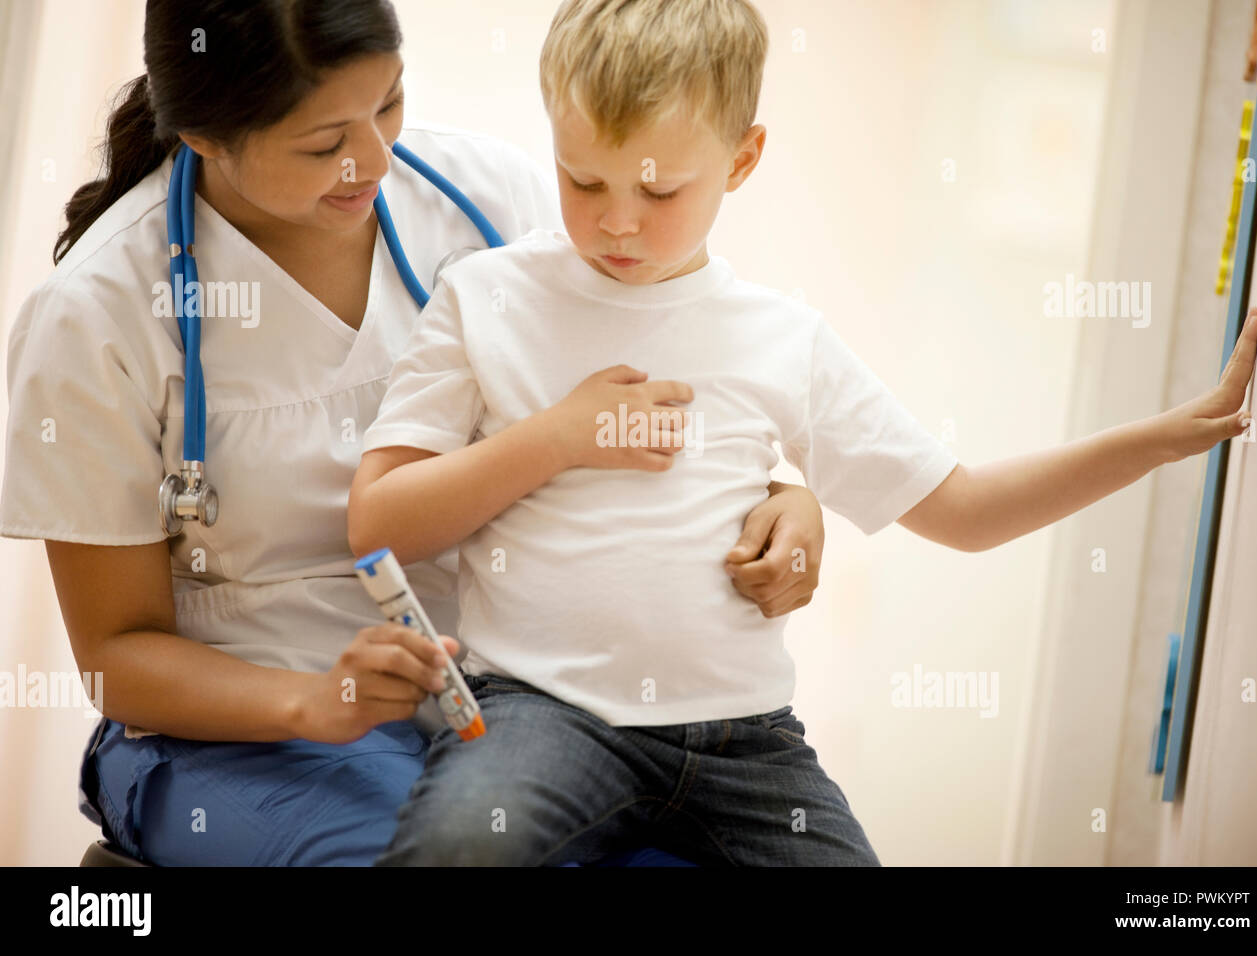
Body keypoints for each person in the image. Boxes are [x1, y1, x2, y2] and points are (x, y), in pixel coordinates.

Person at [349, 0, 1257, 866]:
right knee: (454, 850)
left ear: (743, 160)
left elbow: (967, 511)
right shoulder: (487, 297)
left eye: (660, 188)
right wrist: (556, 438)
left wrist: (1161, 439)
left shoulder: (779, 337)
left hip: (745, 744)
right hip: (542, 715)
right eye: (583, 179)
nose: (617, 219)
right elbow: (377, 523)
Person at [0, 0, 831, 867]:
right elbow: (118, 657)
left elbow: (632, 404)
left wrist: (783, 498)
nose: (375, 159)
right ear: (207, 136)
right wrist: (314, 702)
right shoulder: (97, 316)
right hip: (243, 739)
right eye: (324, 144)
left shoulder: (486, 201)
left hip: (518, 712)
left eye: (390, 104)